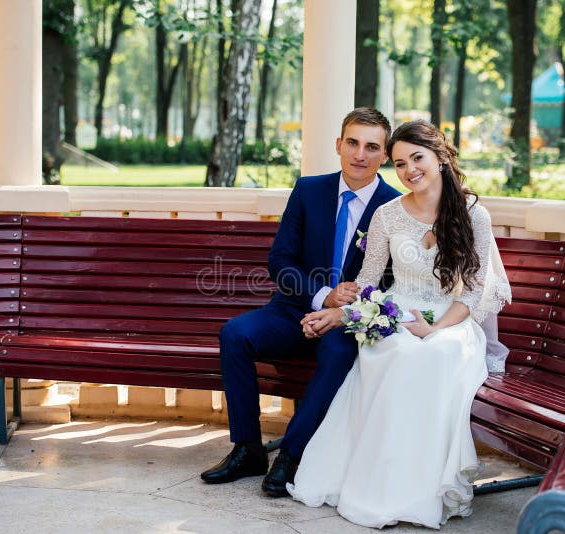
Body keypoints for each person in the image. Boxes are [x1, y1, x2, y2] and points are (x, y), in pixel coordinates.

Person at [286, 120, 512, 529]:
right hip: (398, 312)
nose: (410, 170)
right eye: (400, 163)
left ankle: (421, 486)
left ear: (440, 157)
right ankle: (377, 480)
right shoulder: (387, 215)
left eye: (417, 158)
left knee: (437, 353)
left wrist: (439, 326)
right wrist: (352, 314)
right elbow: (370, 282)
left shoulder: (473, 214)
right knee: (393, 349)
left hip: (453, 318)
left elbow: (477, 289)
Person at [200, 108, 401, 497]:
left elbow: (394, 281)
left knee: (339, 353)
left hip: (347, 322)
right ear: (338, 145)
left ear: (385, 155)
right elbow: (280, 261)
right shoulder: (309, 190)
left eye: (372, 147)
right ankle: (247, 449)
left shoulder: (394, 207)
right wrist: (321, 295)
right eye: (353, 143)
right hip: (292, 310)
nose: (360, 154)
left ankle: (291, 456)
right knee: (235, 333)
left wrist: (340, 310)